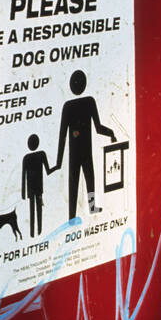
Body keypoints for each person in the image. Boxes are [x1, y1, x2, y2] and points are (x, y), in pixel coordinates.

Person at [52, 70, 116, 220]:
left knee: (79, 183)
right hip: (84, 152)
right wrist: (111, 133)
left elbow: (62, 136)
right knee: (88, 180)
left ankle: (75, 214)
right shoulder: (89, 102)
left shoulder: (69, 106)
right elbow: (99, 128)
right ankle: (88, 209)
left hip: (76, 154)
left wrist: (58, 163)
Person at [21, 134, 52, 237]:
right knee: (38, 210)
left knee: (33, 210)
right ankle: (37, 232)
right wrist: (56, 166)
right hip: (37, 188)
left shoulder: (27, 157)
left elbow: (23, 176)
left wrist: (23, 193)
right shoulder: (41, 154)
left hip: (32, 189)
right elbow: (48, 170)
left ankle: (34, 233)